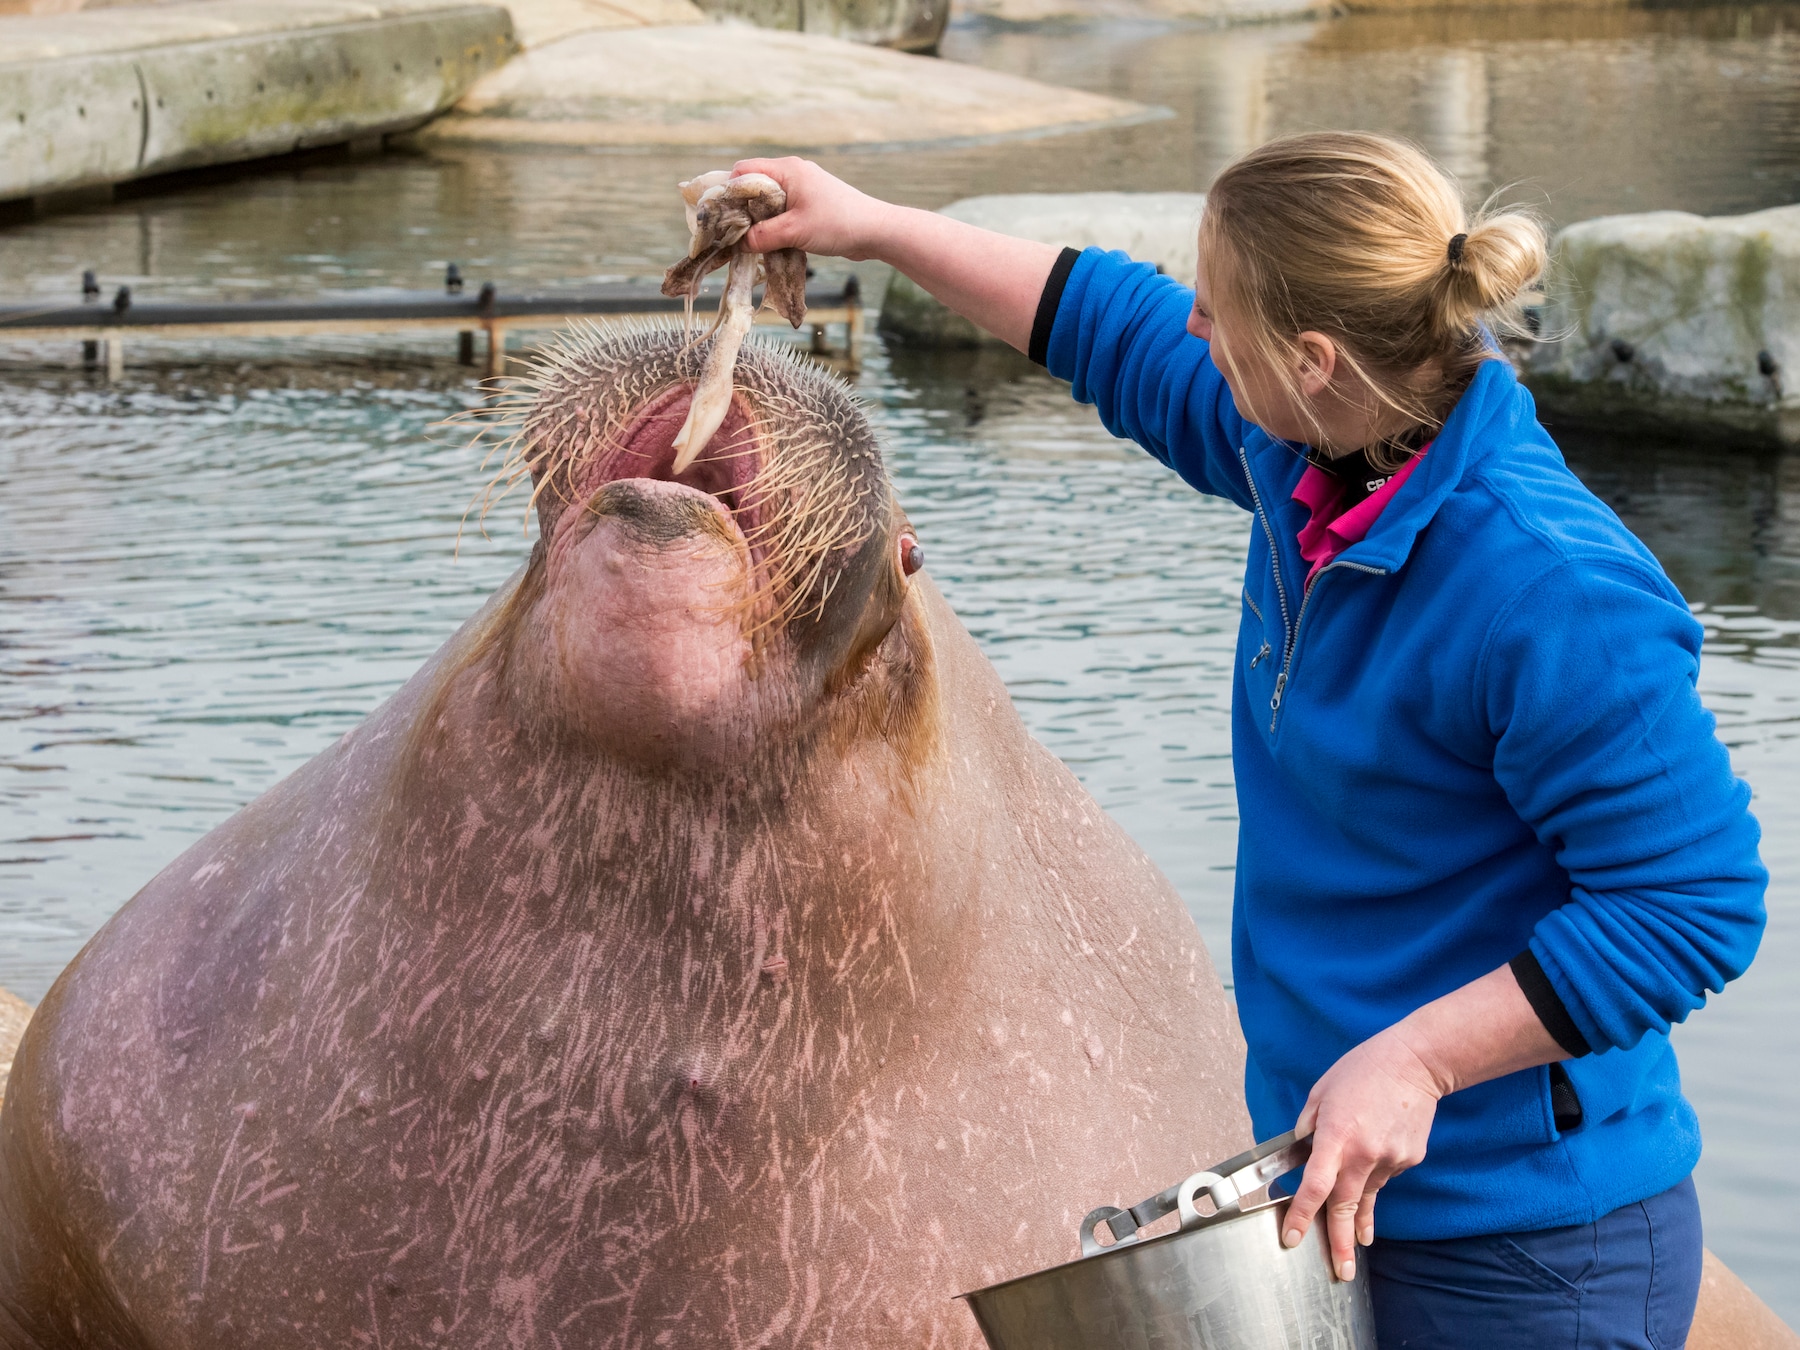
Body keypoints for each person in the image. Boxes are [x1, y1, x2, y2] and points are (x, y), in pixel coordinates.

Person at [729, 132, 1768, 1346]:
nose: (1195, 329)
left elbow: (1694, 903)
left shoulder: (1555, 593)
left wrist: (1421, 1062)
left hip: (1531, 1252)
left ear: (1314, 359)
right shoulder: (1313, 451)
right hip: (1338, 1195)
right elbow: (1107, 324)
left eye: (1218, 312)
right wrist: (870, 224)